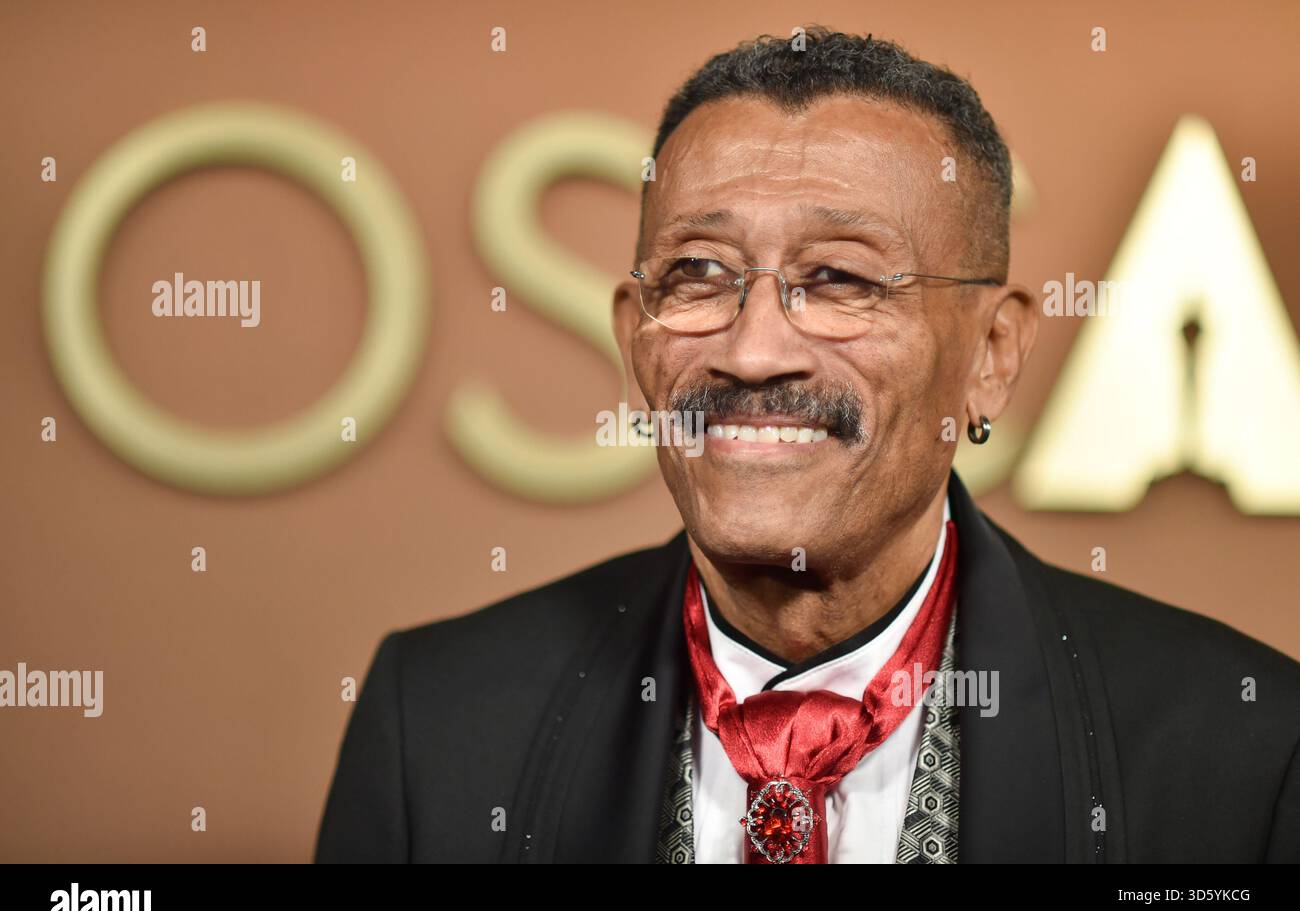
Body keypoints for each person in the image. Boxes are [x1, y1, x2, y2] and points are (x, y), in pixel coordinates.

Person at [316, 28, 1300, 863]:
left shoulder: (1242, 749)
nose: (751, 351)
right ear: (633, 335)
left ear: (991, 355)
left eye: (838, 279)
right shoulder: (436, 728)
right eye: (698, 274)